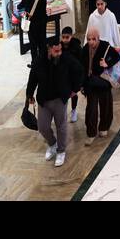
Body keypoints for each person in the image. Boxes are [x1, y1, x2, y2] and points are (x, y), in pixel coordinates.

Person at [25, 35, 84, 167]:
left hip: (60, 99)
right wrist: (29, 93)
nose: (59, 53)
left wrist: (75, 89)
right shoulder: (40, 61)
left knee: (61, 126)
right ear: (49, 49)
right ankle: (52, 144)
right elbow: (33, 77)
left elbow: (79, 71)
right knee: (43, 127)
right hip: (44, 99)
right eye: (56, 51)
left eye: (60, 50)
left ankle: (61, 151)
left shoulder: (67, 59)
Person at [78, 25, 120, 145]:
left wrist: (107, 63)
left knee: (106, 105)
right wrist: (82, 85)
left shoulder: (105, 46)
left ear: (98, 38)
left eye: (93, 39)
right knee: (91, 109)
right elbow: (82, 68)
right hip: (90, 83)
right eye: (89, 39)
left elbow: (117, 57)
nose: (91, 42)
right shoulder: (85, 49)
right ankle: (91, 133)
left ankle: (104, 128)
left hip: (103, 82)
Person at [19, 0, 48, 64]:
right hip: (42, 21)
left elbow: (20, 6)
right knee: (42, 41)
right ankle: (44, 61)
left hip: (32, 23)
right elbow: (44, 5)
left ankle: (35, 62)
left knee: (33, 43)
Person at [60, 26, 83, 123]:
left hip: (73, 75)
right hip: (62, 75)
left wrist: (80, 83)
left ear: (71, 36)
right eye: (63, 37)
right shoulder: (59, 46)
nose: (65, 40)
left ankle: (74, 110)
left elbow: (81, 63)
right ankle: (62, 112)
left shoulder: (77, 47)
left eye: (67, 37)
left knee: (73, 94)